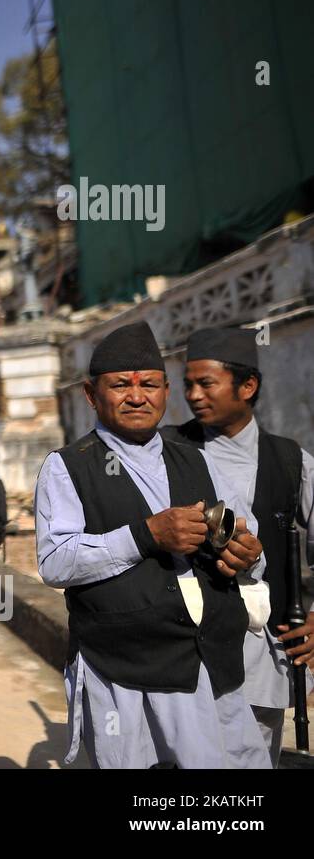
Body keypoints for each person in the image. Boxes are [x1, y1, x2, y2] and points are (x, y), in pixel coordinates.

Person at [34, 320, 269, 768]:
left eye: (151, 385)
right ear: (91, 394)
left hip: (210, 660)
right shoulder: (68, 467)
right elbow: (55, 562)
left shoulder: (196, 459)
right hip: (127, 666)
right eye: (121, 385)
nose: (137, 396)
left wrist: (247, 554)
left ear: (165, 392)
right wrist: (147, 535)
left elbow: (246, 535)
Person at [161, 326, 314, 766]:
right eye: (187, 383)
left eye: (205, 383)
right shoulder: (166, 449)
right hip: (180, 653)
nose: (192, 394)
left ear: (247, 386)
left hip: (260, 658)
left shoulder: (290, 461)